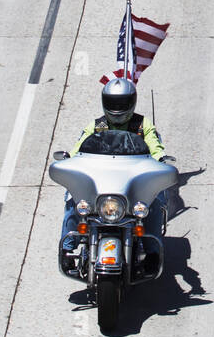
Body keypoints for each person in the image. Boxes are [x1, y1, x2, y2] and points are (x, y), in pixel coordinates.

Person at [61, 78, 168, 262]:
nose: (117, 109)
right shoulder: (97, 126)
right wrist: (70, 159)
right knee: (73, 200)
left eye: (122, 103)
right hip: (101, 182)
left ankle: (153, 252)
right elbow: (78, 148)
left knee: (155, 202)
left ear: (132, 102)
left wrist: (160, 160)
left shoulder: (143, 125)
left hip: (132, 182)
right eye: (112, 103)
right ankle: (67, 249)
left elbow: (155, 146)